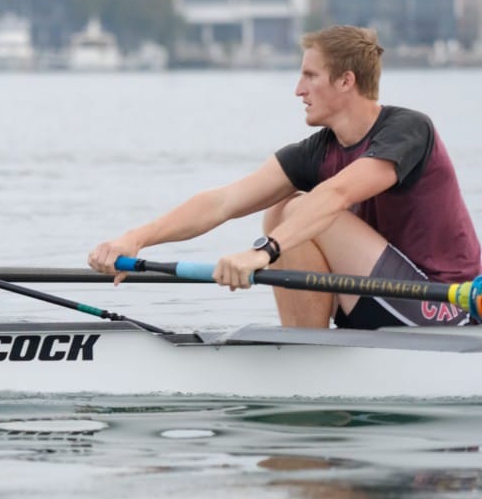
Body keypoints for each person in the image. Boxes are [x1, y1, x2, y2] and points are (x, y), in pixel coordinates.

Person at [88, 25, 480, 329]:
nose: (298, 90)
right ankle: (305, 350)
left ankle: (308, 360)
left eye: (310, 76)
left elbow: (338, 195)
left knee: (305, 209)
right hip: (375, 296)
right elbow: (223, 202)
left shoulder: (409, 130)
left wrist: (263, 253)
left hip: (445, 306)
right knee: (280, 208)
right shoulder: (317, 151)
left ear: (346, 81)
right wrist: (136, 238)